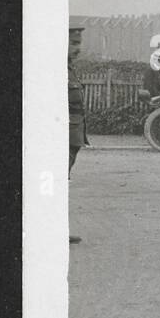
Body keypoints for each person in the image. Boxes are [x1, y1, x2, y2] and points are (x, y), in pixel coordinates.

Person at [68, 23, 87, 244]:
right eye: (74, 43)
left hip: (72, 137)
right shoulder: (55, 70)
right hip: (60, 137)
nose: (77, 48)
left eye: (79, 43)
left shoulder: (70, 69)